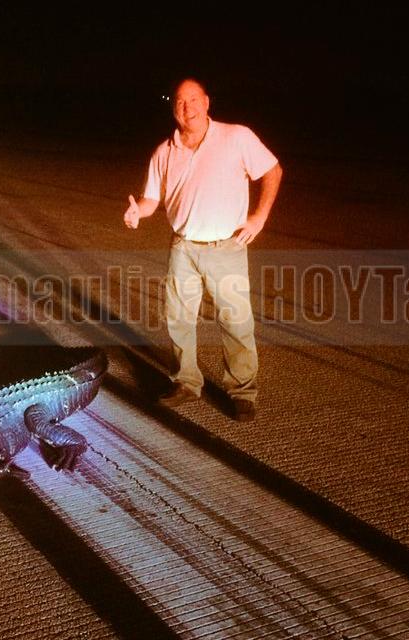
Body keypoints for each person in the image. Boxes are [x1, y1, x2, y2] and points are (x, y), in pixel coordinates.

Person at [124, 78, 282, 421]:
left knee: (235, 321)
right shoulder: (164, 151)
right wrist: (140, 210)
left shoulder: (236, 137)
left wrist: (258, 218)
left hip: (226, 247)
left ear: (207, 102)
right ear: (173, 108)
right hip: (183, 247)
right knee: (178, 318)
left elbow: (272, 171)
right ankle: (185, 382)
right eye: (180, 102)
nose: (187, 107)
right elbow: (153, 197)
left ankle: (243, 391)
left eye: (194, 100)